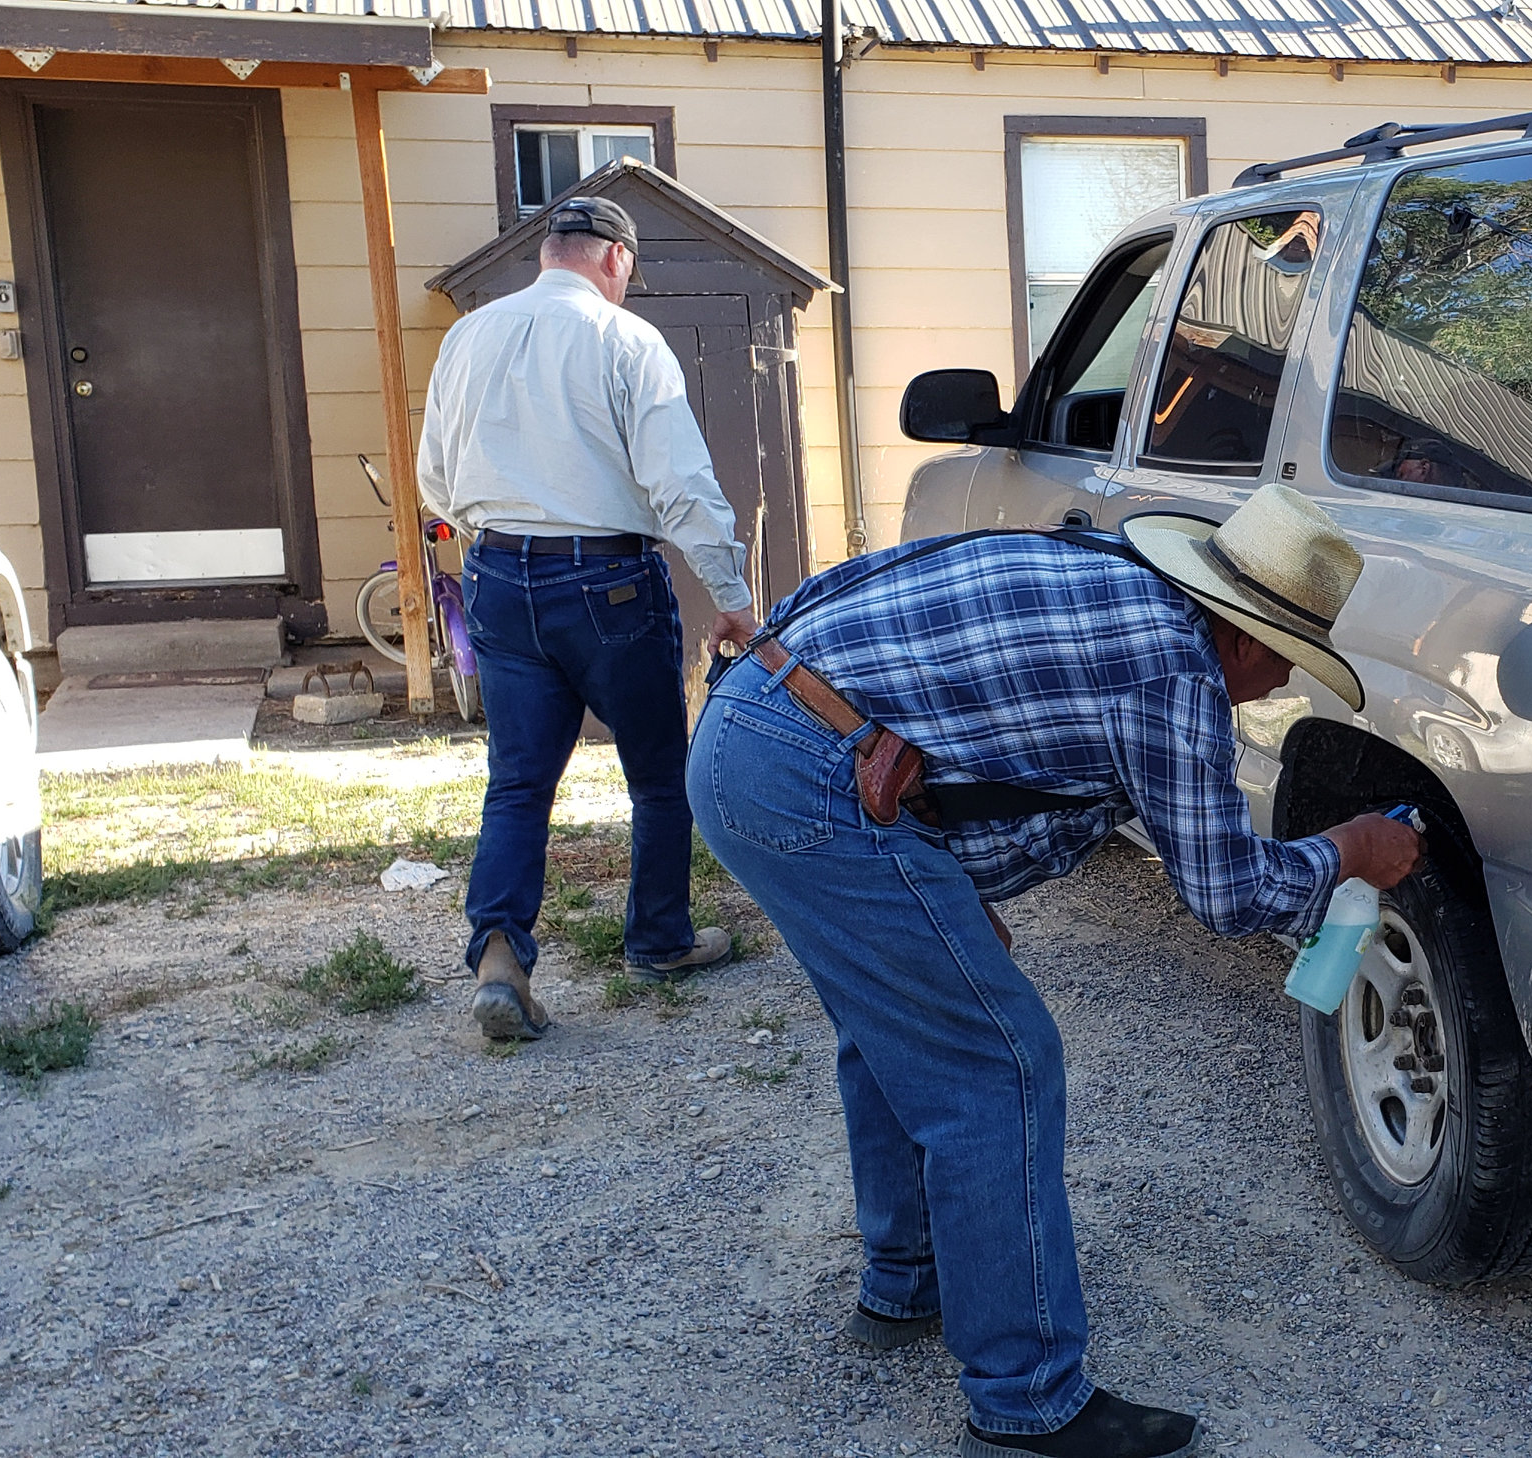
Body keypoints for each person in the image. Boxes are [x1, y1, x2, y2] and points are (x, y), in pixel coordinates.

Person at [687, 484, 1423, 1458]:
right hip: (815, 769)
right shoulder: (1174, 667)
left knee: (902, 1024)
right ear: (1242, 636)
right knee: (1001, 1067)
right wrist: (1353, 850)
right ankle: (1027, 1404)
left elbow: (969, 728)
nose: (1282, 683)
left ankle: (909, 1280)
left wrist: (941, 888)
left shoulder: (1107, 578)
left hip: (761, 727)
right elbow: (1226, 892)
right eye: (1285, 657)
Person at [417, 195, 760, 1041]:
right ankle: (659, 937)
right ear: (616, 260)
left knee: (520, 779)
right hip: (605, 580)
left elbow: (434, 474)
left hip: (497, 572)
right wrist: (732, 595)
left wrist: (496, 541)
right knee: (655, 773)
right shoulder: (625, 340)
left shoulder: (468, 335)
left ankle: (499, 953)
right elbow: (678, 482)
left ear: (549, 254)